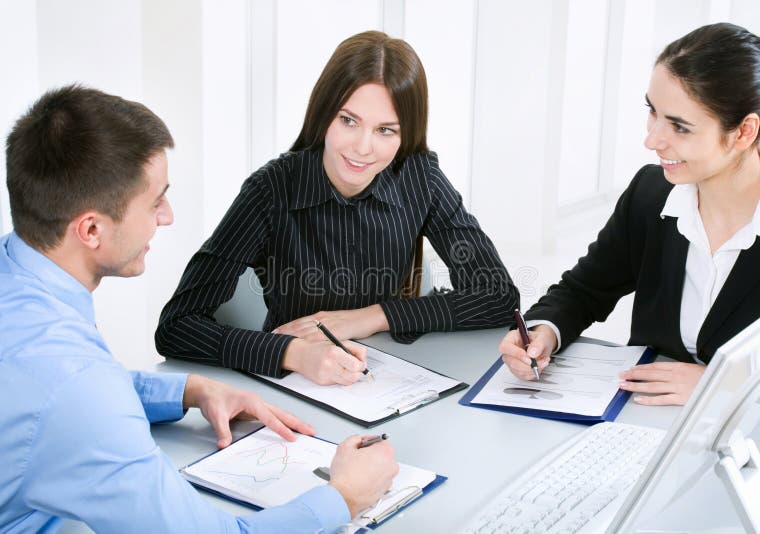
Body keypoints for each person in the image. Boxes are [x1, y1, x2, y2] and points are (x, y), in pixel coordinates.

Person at [0, 85, 397, 533]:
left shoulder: (17, 277)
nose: (167, 216)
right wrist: (346, 496)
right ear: (90, 229)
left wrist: (187, 391)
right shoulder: (73, 386)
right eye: (155, 202)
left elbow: (43, 400)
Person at [155, 30, 519, 385]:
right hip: (300, 386)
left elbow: (498, 295)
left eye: (386, 130)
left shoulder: (419, 175)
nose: (363, 147)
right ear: (324, 113)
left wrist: (370, 318)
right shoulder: (271, 190)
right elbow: (176, 326)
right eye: (349, 121)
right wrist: (292, 353)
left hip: (393, 379)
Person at [499, 23, 760, 423]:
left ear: (743, 131)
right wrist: (544, 332)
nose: (653, 139)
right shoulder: (651, 194)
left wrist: (726, 387)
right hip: (641, 426)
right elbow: (584, 290)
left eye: (679, 126)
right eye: (652, 112)